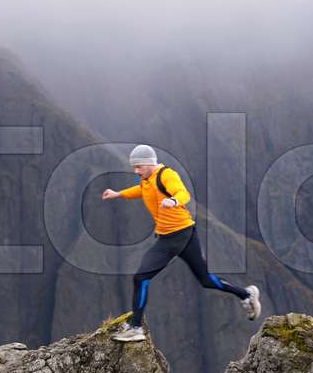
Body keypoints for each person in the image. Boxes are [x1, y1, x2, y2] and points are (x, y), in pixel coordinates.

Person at [101, 144, 260, 342]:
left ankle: (135, 327)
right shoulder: (147, 179)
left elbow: (183, 193)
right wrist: (118, 194)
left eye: (138, 167)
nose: (136, 170)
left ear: (149, 164)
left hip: (176, 236)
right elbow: (141, 190)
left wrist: (174, 201)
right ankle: (245, 294)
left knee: (141, 277)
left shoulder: (166, 175)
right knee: (205, 279)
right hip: (185, 234)